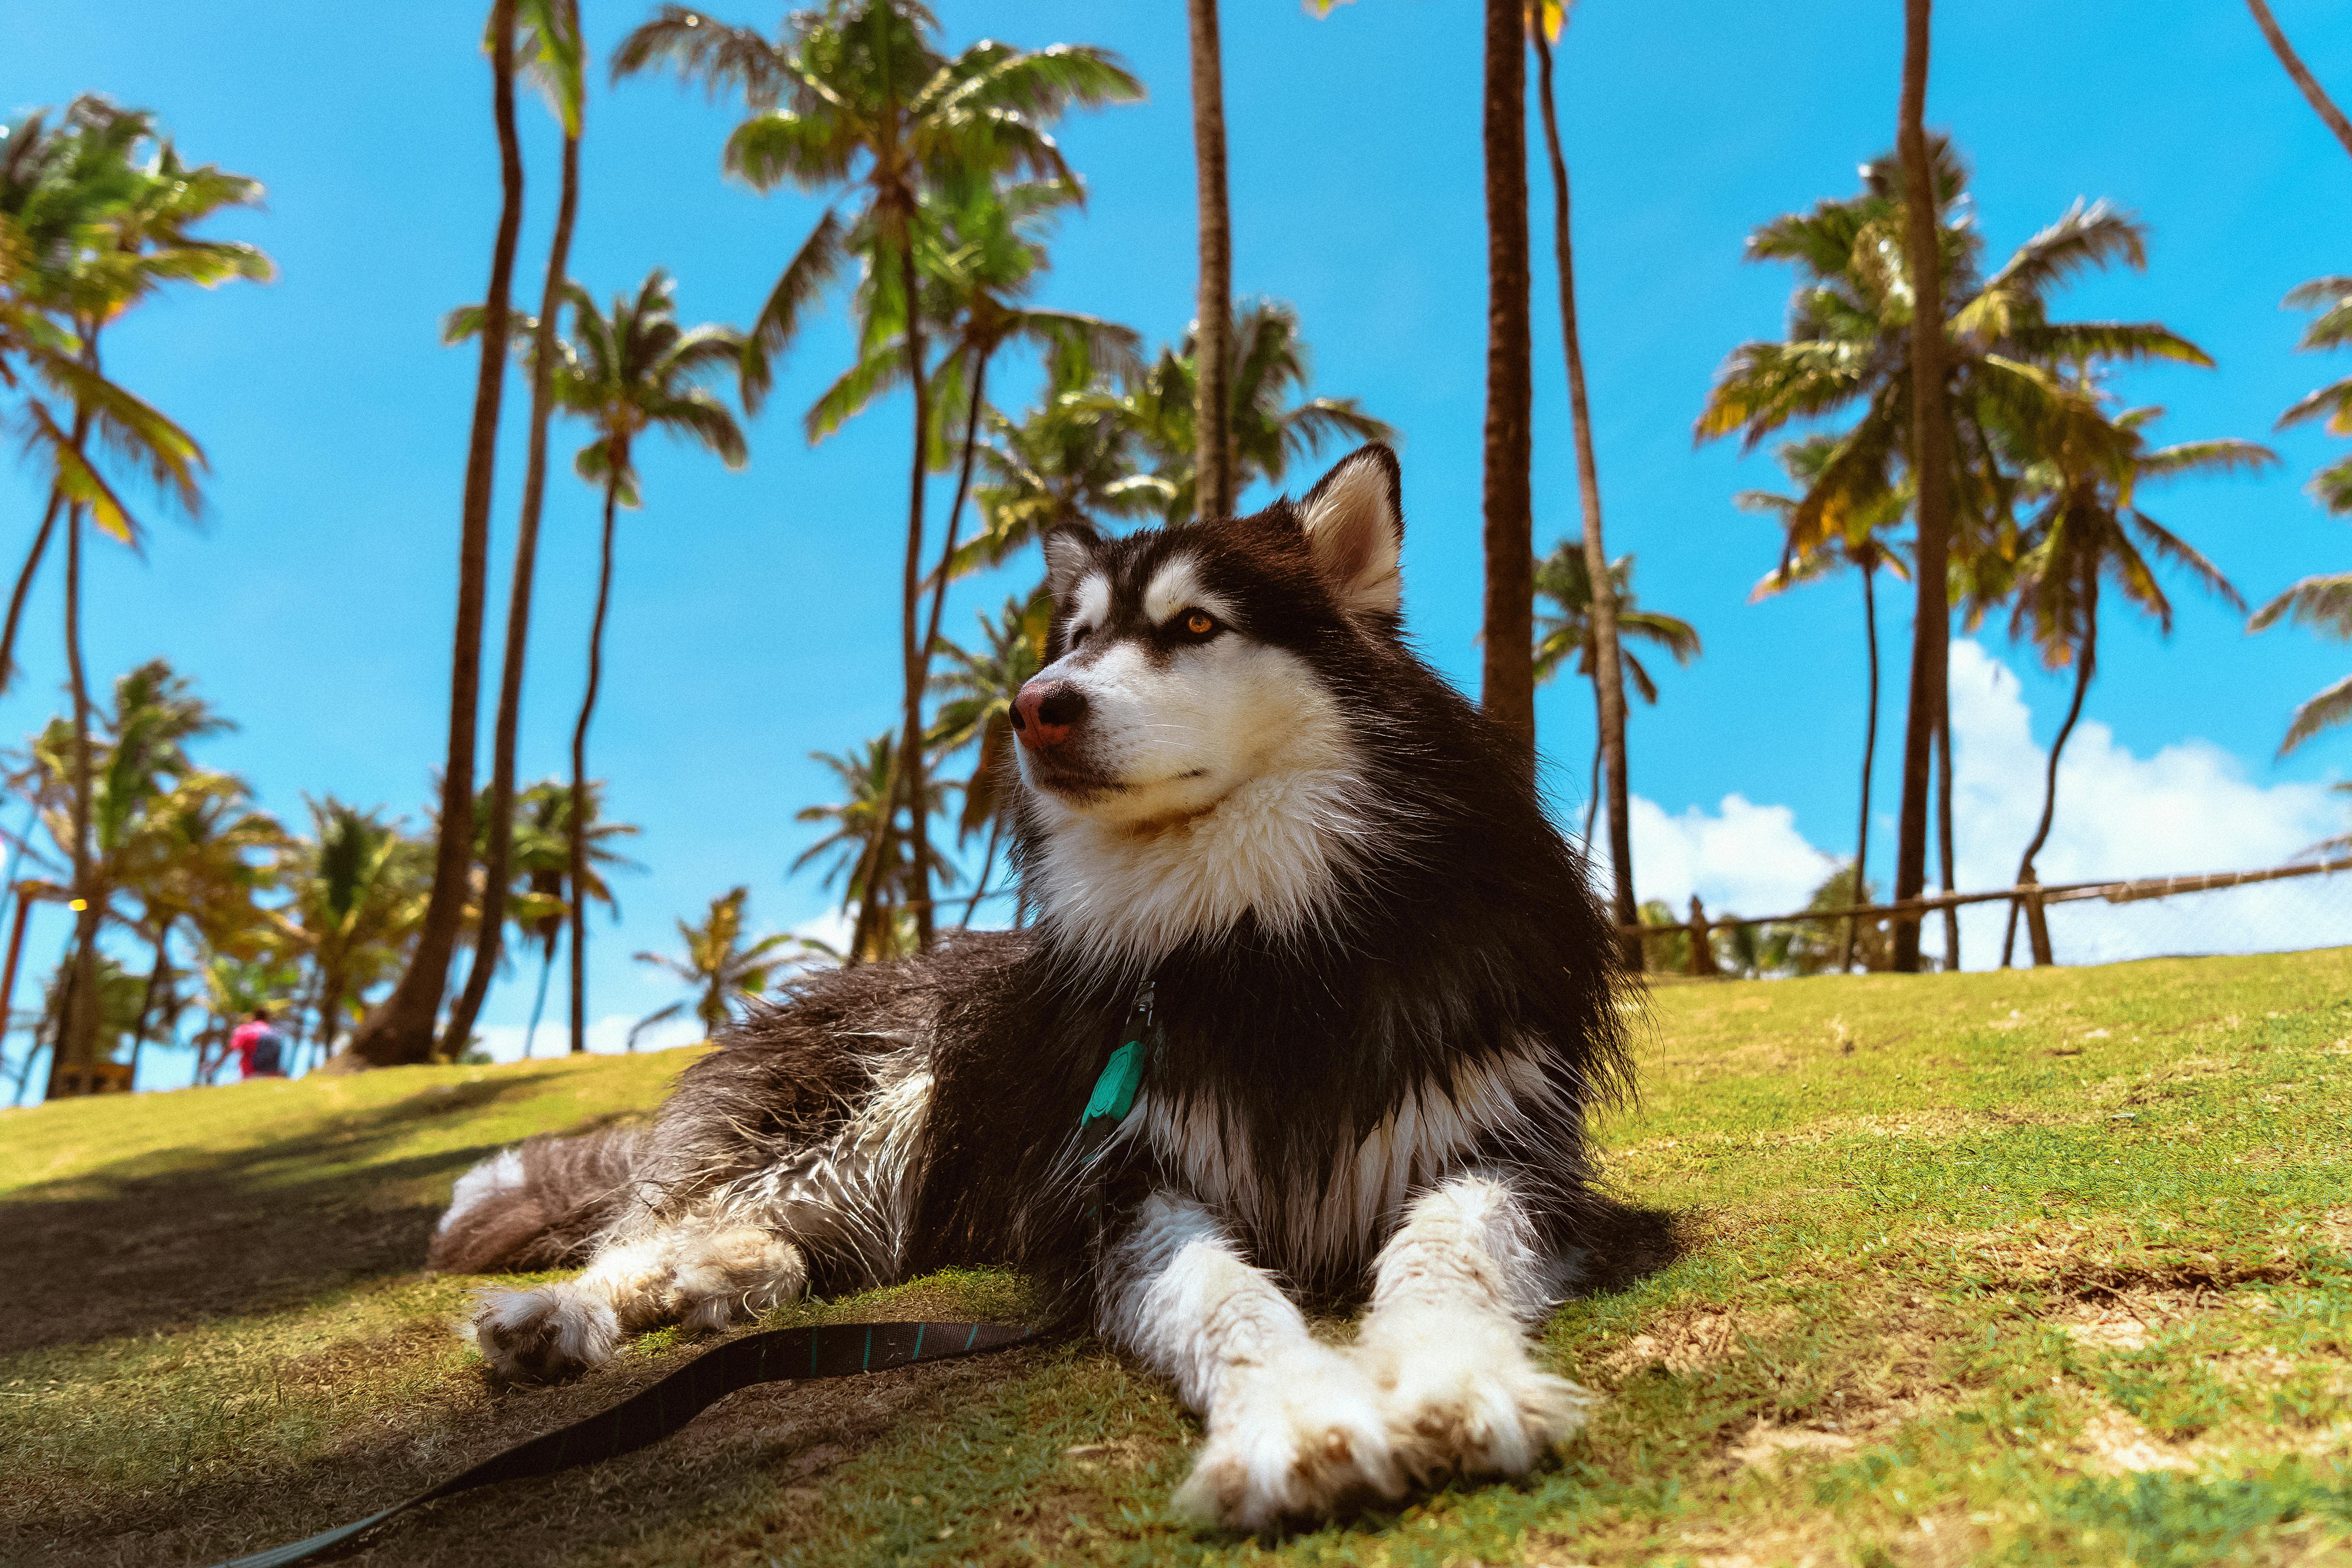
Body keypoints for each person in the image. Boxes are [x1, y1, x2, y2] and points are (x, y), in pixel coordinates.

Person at [231, 1007, 288, 1079]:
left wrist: (216, 1065)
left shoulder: (246, 1029)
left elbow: (232, 1047)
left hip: (252, 1073)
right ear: (267, 1019)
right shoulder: (275, 1032)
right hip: (273, 1073)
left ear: (253, 1017)